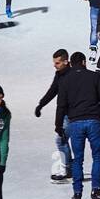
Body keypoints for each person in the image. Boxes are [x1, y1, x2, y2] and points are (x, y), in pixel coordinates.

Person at [57, 52, 100, 199]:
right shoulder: (94, 76)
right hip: (93, 121)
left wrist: (58, 126)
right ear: (84, 62)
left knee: (78, 159)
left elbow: (61, 105)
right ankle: (95, 191)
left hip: (75, 124)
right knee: (97, 157)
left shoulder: (65, 80)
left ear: (71, 64)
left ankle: (77, 192)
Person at [35, 49, 72, 183]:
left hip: (73, 115)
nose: (54, 65)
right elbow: (52, 91)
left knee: (61, 140)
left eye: (57, 63)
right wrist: (41, 104)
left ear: (66, 62)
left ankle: (68, 169)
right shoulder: (59, 75)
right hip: (66, 115)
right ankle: (70, 168)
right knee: (63, 140)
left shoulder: (72, 75)